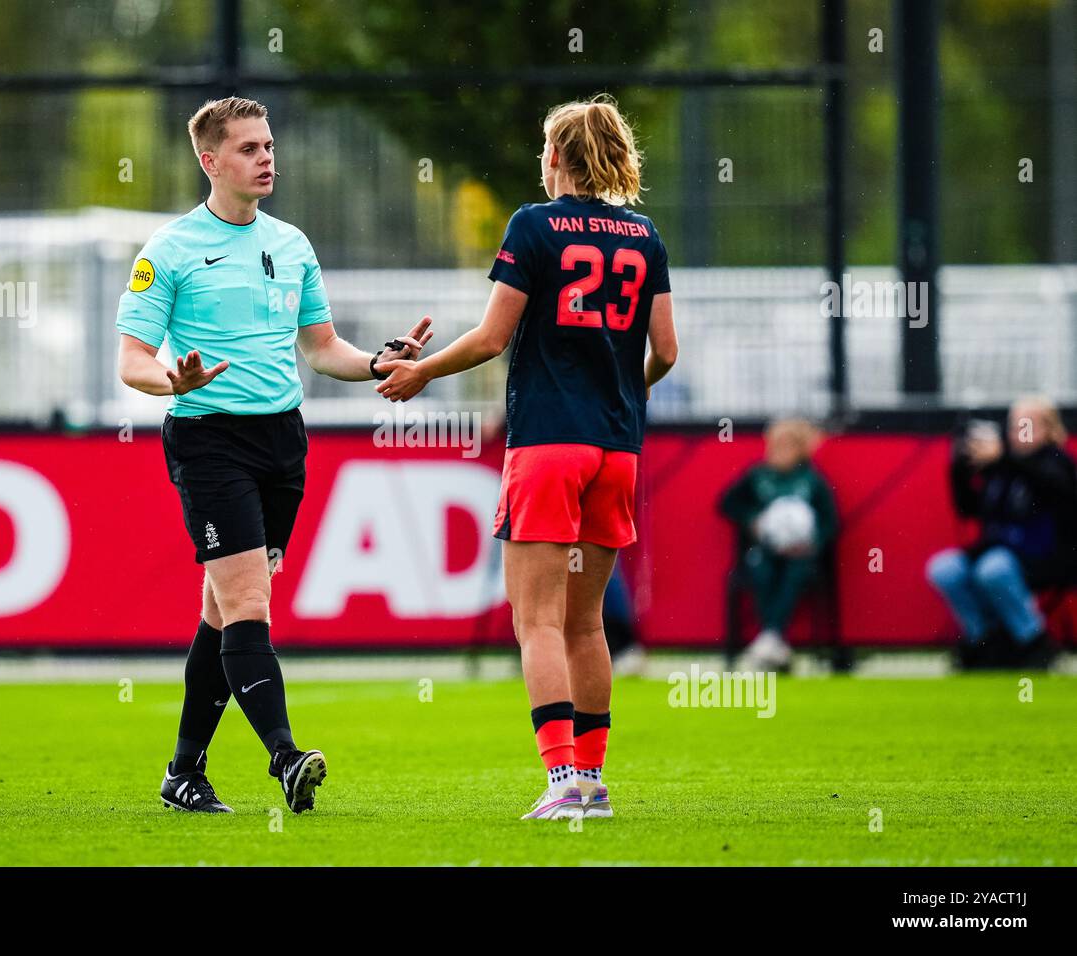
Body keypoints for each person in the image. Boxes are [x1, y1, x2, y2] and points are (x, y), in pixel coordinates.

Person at [116, 97, 431, 814]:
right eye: (250, 148)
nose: (267, 158)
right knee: (249, 603)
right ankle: (286, 758)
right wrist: (173, 379)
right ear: (210, 161)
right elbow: (131, 360)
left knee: (224, 613)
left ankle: (183, 773)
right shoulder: (167, 249)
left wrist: (380, 362)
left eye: (269, 145)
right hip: (209, 439)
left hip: (283, 442)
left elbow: (323, 349)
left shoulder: (291, 244)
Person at [375, 94, 677, 821]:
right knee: (587, 624)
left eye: (545, 150)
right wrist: (616, 393)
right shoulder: (645, 235)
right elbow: (665, 351)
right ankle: (595, 783)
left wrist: (419, 372)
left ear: (557, 158)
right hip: (617, 449)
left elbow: (488, 338)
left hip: (548, 443)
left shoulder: (533, 226)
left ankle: (560, 780)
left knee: (535, 621)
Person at [926, 397, 1076, 669]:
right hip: (995, 552)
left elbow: (1056, 491)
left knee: (993, 568)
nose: (1017, 433)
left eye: (1026, 425)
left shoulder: (1057, 461)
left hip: (1045, 557)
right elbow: (968, 509)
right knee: (945, 569)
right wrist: (959, 467)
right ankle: (984, 639)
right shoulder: (1001, 466)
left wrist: (1004, 459)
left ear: (1048, 428)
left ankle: (1032, 639)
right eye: (1014, 425)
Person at [719, 418, 838, 672]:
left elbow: (830, 522)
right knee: (761, 568)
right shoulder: (758, 475)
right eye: (776, 443)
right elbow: (727, 504)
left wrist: (812, 543)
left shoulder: (812, 480)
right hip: (763, 548)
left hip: (800, 554)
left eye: (789, 444)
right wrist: (753, 521)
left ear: (802, 448)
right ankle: (774, 641)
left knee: (796, 573)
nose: (780, 449)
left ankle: (770, 638)